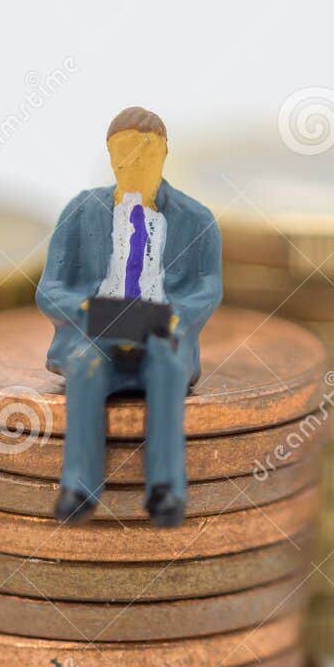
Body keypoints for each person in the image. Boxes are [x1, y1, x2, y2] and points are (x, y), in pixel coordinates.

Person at [35, 107, 222, 526]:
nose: (132, 166)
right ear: (109, 157)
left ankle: (166, 489)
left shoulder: (198, 220)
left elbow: (209, 287)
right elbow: (49, 288)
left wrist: (177, 317)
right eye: (122, 158)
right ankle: (79, 487)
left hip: (160, 323)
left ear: (164, 154)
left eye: (144, 156)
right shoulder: (81, 212)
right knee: (85, 364)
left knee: (167, 365)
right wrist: (84, 310)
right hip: (97, 321)